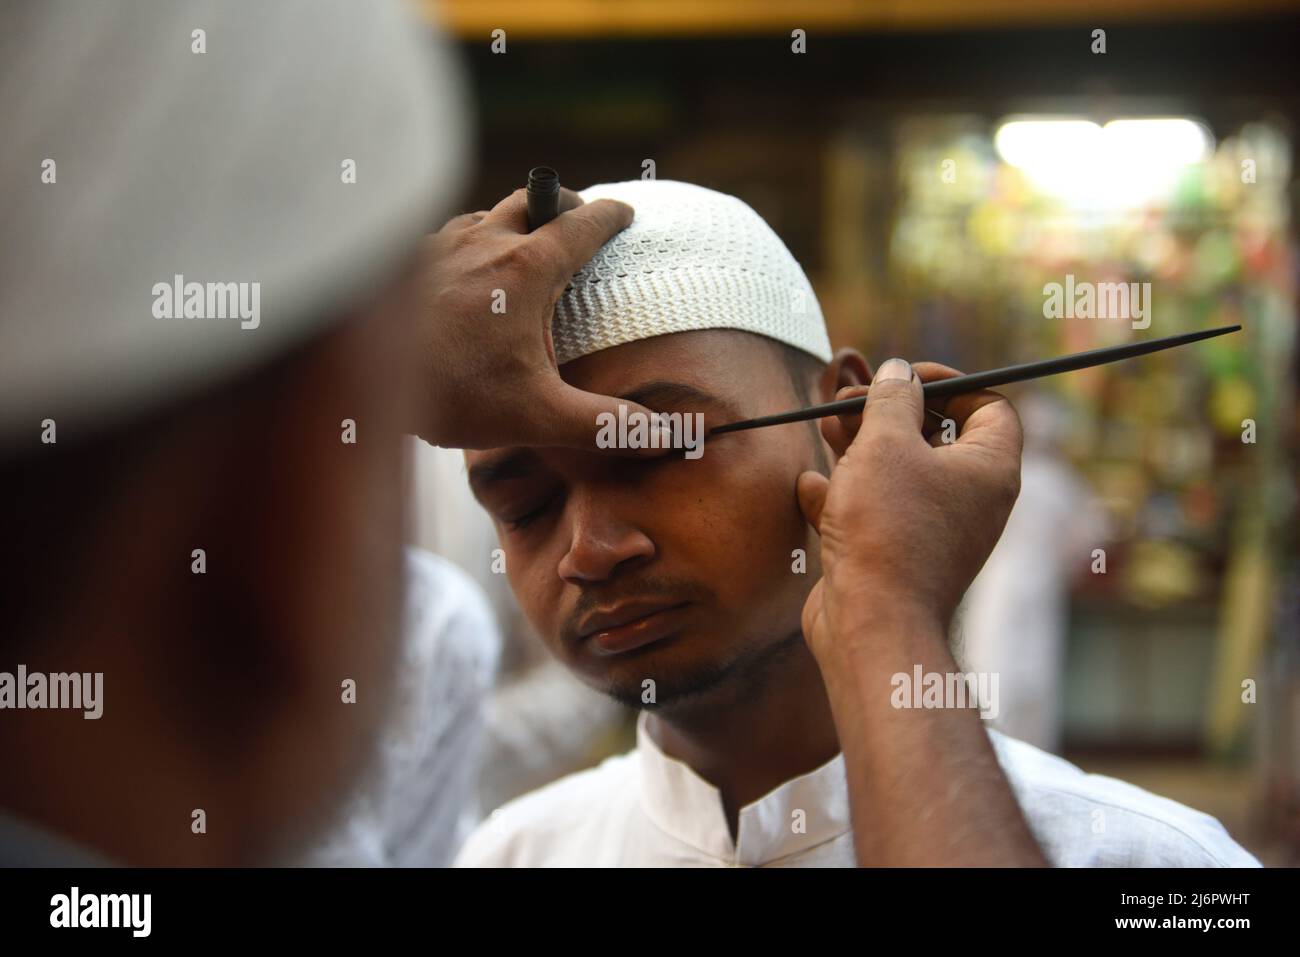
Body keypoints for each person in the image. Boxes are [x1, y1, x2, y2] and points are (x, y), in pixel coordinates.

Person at [451, 179, 1260, 867]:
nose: (588, 551)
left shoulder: (1150, 862)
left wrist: (884, 601)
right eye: (525, 506)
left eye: (659, 451)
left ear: (843, 420)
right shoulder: (511, 853)